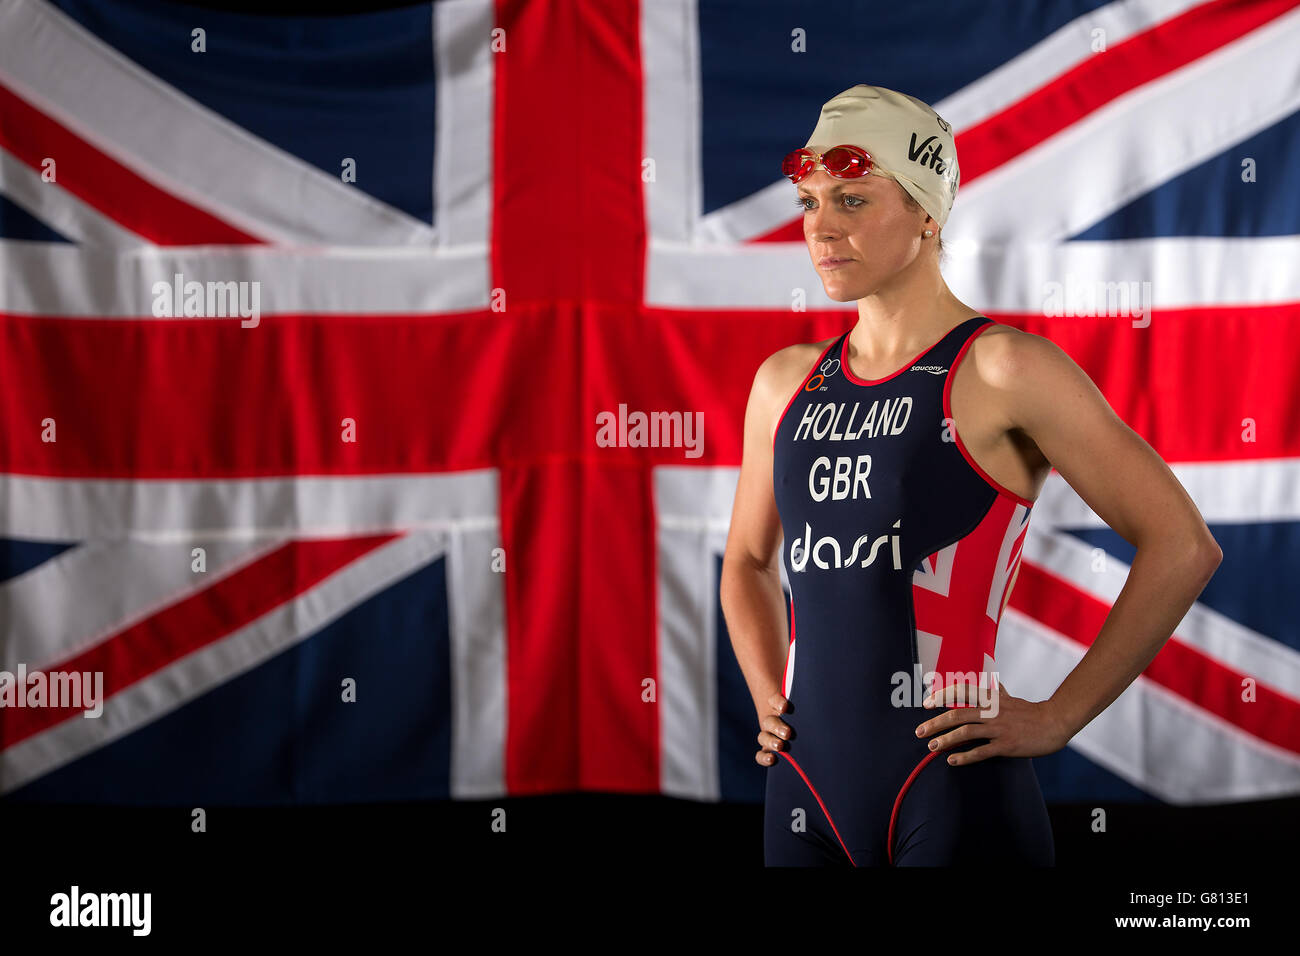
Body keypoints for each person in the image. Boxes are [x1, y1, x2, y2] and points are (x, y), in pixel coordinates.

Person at [719, 84, 1222, 866]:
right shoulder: (785, 382)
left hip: (951, 789)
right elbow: (748, 562)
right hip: (802, 789)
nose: (822, 228)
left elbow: (1183, 545)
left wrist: (1059, 717)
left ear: (929, 212)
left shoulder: (1003, 368)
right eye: (811, 201)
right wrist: (766, 695)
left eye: (852, 199)